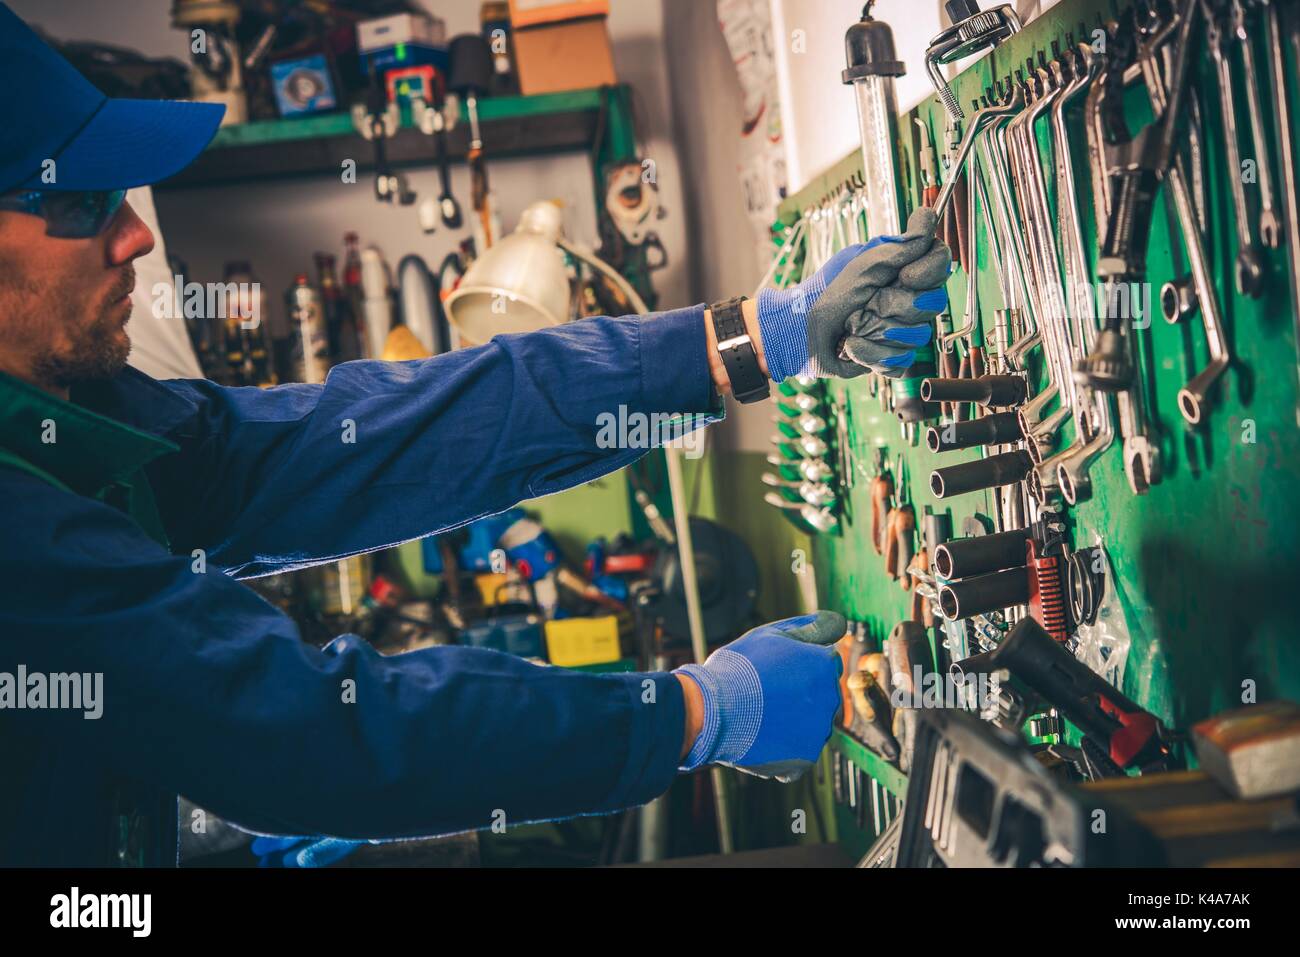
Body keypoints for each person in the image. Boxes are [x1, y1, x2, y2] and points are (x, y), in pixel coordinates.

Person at [0, 3, 950, 866]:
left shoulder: (78, 420)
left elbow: (368, 440)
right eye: (80, 201)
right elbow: (301, 727)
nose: (133, 237)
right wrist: (696, 713)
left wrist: (749, 340)